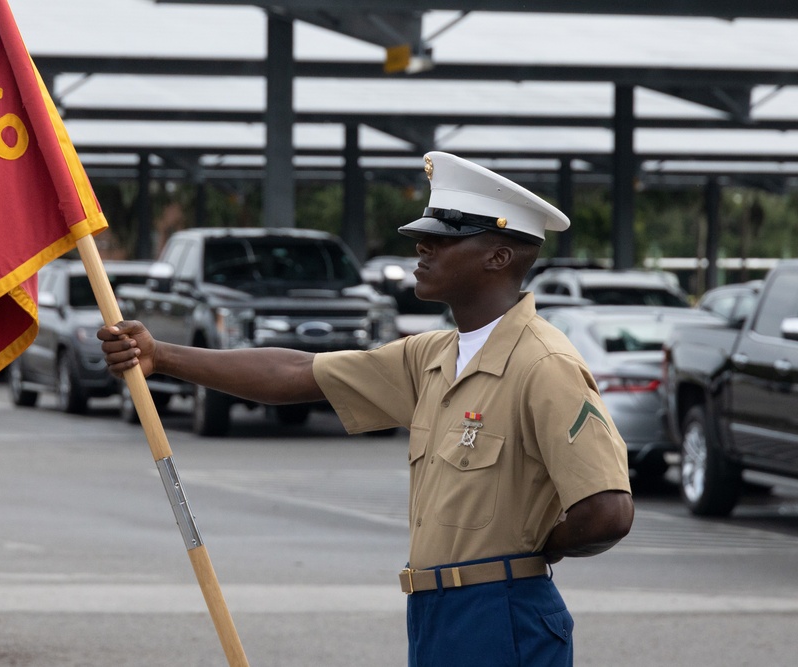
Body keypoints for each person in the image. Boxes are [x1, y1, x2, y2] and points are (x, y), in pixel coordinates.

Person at [98, 151, 635, 667]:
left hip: (500, 612)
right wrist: (162, 356)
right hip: (435, 610)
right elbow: (296, 373)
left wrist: (527, 553)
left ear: (498, 257)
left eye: (441, 241)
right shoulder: (434, 355)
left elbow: (606, 512)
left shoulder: (543, 364)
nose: (421, 251)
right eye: (422, 239)